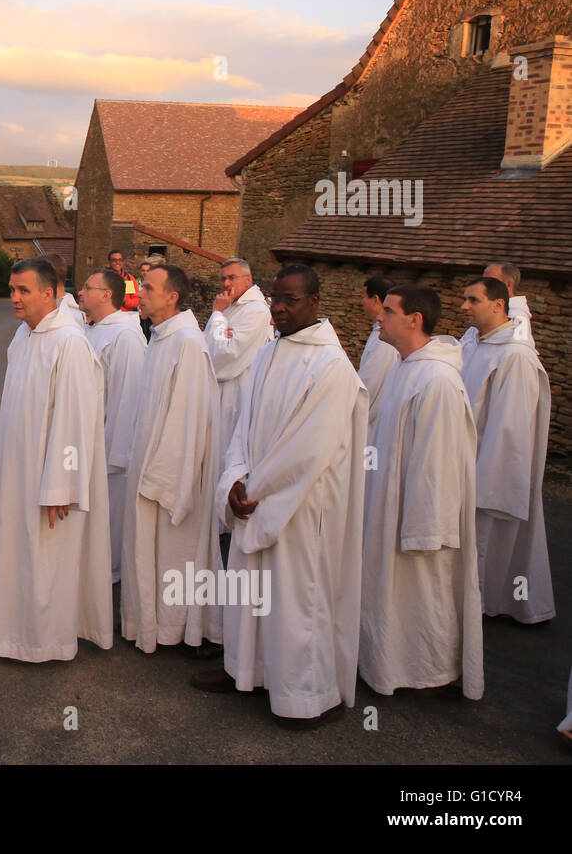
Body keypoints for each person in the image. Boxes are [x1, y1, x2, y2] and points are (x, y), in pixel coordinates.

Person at [193, 266, 367, 729]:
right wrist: (233, 478)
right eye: (275, 299)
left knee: (296, 600)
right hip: (254, 496)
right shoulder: (270, 353)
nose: (281, 308)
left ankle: (306, 697)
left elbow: (308, 449)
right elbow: (244, 427)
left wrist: (254, 490)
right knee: (251, 593)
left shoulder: (331, 367)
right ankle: (244, 670)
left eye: (291, 299)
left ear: (314, 301)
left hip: (299, 505)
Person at [0, 258, 112, 661]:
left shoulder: (69, 344)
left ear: (50, 293)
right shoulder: (24, 335)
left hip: (46, 475)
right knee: (2, 550)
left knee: (42, 557)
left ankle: (38, 640)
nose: (14, 298)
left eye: (23, 291)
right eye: (13, 289)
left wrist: (61, 486)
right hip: (13, 467)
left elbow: (75, 421)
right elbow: (14, 408)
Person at [361, 284, 483, 699]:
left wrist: (425, 528)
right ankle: (392, 664)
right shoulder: (406, 366)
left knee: (421, 595)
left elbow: (439, 462)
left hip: (416, 520)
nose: (380, 316)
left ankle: (427, 671)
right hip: (387, 505)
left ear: (414, 319)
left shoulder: (438, 381)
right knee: (390, 598)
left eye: (389, 311)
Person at [122, 263, 222, 655]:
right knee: (149, 554)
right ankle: (148, 621)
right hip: (148, 463)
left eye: (147, 287)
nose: (140, 293)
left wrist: (163, 480)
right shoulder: (161, 338)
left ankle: (174, 628)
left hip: (169, 476)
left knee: (174, 554)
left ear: (172, 296)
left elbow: (188, 419)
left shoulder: (188, 344)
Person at [459, 276, 554, 624]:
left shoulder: (514, 356)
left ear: (499, 304)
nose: (463, 306)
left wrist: (483, 482)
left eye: (473, 300)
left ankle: (490, 603)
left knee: (489, 545)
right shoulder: (473, 345)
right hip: (464, 463)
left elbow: (510, 427)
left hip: (487, 470)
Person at [79, 267, 146, 583]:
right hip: (87, 442)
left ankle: (109, 573)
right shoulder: (94, 329)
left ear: (106, 295)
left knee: (110, 517)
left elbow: (127, 397)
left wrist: (113, 452)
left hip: (110, 448)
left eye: (88, 287)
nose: (80, 291)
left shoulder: (125, 337)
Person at [203, 258, 273, 528]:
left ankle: (226, 521)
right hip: (221, 392)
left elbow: (224, 356)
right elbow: (208, 348)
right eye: (222, 279)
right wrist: (221, 324)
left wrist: (218, 317)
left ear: (248, 279)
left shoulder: (255, 311)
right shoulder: (232, 308)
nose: (226, 284)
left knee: (229, 455)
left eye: (232, 278)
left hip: (237, 393)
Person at [461, 261, 535, 350]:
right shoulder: (483, 311)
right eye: (483, 279)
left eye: (490, 280)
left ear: (509, 284)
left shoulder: (518, 318)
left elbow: (517, 350)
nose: (482, 284)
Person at [358, 276, 399, 427]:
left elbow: (370, 386)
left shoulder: (384, 341)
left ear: (375, 299)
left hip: (373, 423)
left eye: (364, 296)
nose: (362, 301)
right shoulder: (379, 334)